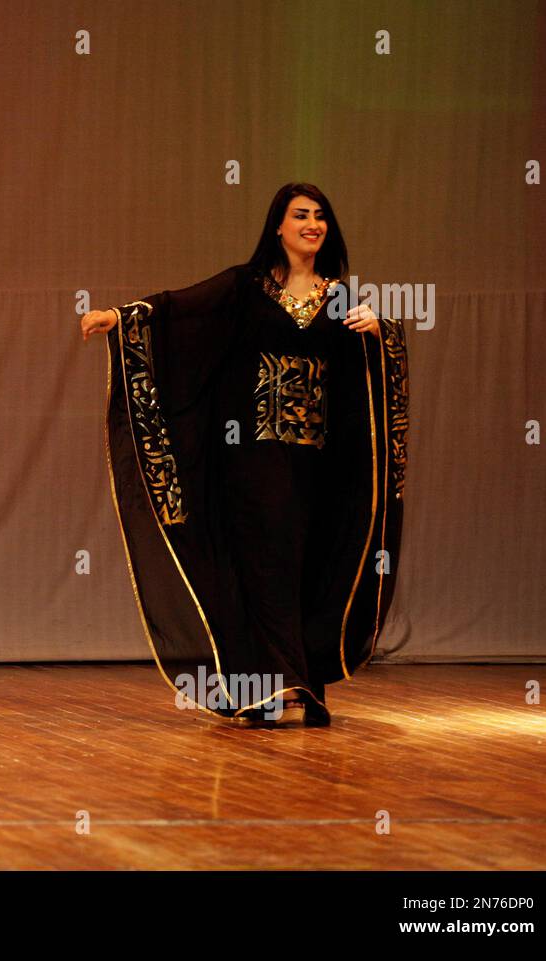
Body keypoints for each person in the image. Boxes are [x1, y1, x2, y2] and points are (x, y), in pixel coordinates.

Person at [80, 183, 409, 727]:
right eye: (300, 215)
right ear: (277, 227)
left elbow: (375, 372)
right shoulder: (244, 286)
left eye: (320, 216)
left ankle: (297, 685)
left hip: (318, 465)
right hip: (252, 459)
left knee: (308, 564)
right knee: (266, 562)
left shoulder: (342, 300)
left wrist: (381, 333)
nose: (312, 223)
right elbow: (177, 311)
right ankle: (284, 688)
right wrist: (120, 318)